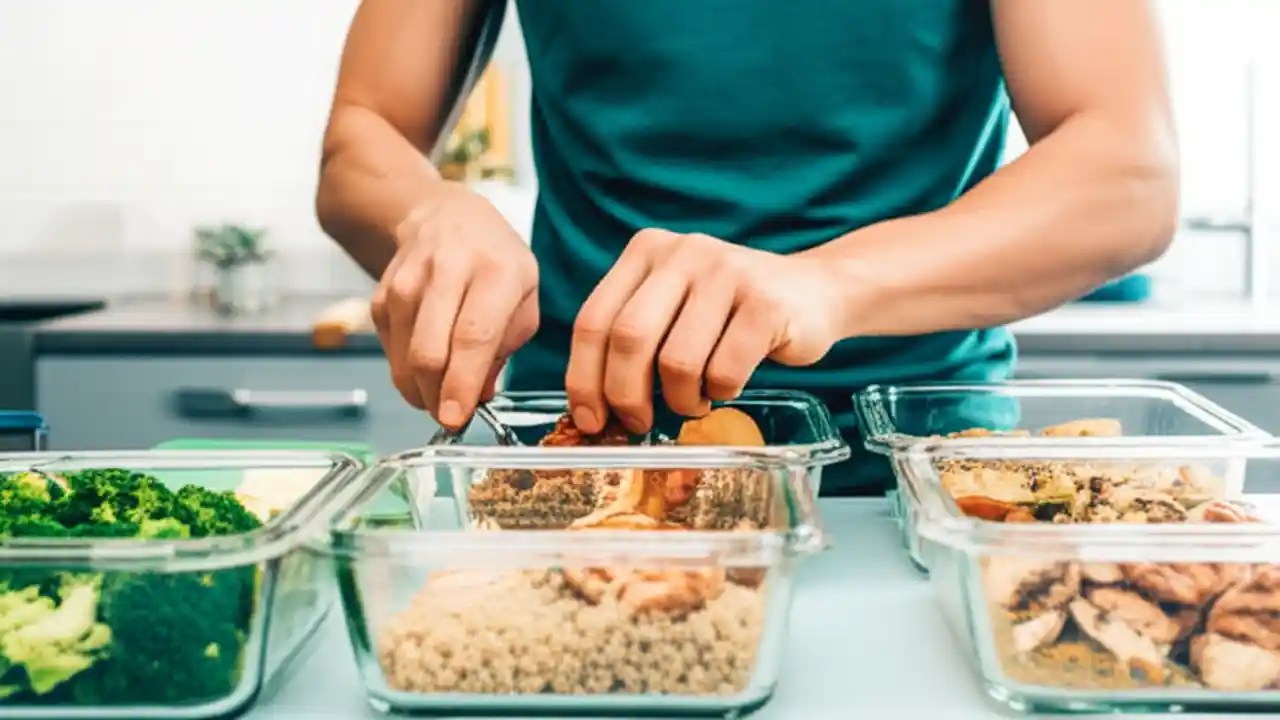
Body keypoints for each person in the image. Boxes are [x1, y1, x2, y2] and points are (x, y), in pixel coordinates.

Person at [316, 0, 1178, 495]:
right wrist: (427, 213)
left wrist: (825, 287)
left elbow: (1126, 174)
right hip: (582, 463)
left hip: (912, 481)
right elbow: (363, 136)